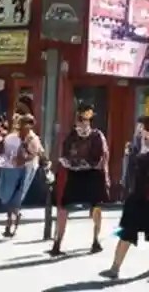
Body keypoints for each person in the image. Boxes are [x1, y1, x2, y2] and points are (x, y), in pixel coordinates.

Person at [101, 117, 149, 279]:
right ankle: (115, 268)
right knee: (126, 230)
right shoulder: (137, 146)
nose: (140, 130)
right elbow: (130, 168)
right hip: (136, 195)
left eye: (143, 128)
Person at [49, 104, 109, 256]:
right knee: (63, 208)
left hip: (93, 175)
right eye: (80, 120)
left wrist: (103, 174)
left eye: (86, 120)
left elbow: (102, 157)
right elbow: (62, 155)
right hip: (72, 175)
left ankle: (96, 240)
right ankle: (57, 243)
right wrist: (66, 162)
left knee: (96, 207)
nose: (83, 124)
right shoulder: (70, 136)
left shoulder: (97, 136)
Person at [0, 114, 43, 237]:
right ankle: (13, 219)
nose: (25, 126)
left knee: (16, 197)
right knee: (7, 195)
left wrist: (24, 159)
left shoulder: (33, 139)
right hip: (12, 169)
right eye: (23, 123)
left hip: (27, 170)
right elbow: (5, 149)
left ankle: (10, 225)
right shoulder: (12, 137)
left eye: (28, 123)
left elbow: (36, 153)